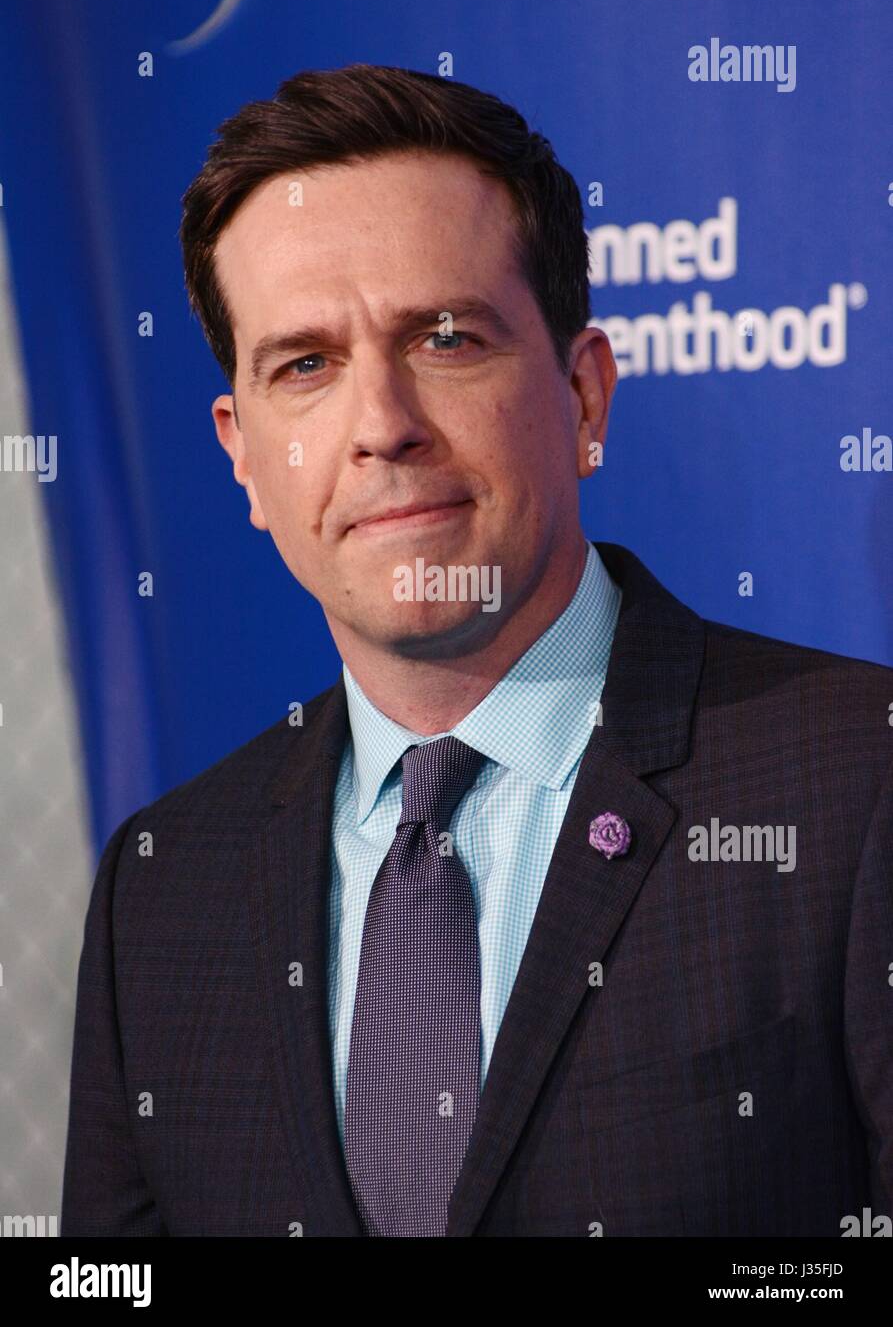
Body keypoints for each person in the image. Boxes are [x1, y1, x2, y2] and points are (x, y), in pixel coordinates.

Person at [61, 64, 893, 1237]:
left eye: (445, 337)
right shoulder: (161, 891)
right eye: (305, 365)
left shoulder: (858, 786)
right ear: (242, 455)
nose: (380, 423)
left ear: (583, 393)